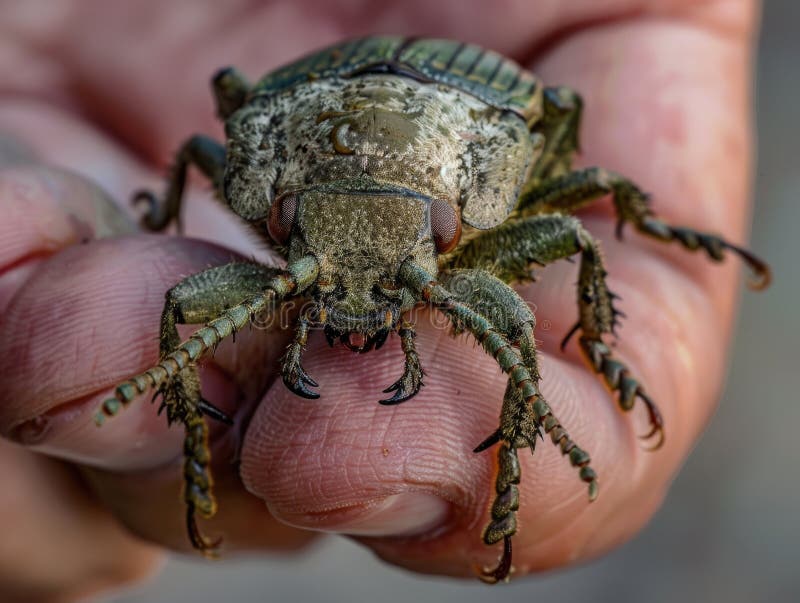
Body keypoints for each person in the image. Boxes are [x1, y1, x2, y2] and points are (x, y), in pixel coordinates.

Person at [0, 1, 762, 600]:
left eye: (427, 234)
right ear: (279, 208)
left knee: (570, 238)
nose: (358, 281)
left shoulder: (485, 166)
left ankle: (535, 438)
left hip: (448, 100)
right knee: (175, 310)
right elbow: (206, 158)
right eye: (294, 224)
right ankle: (200, 449)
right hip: (315, 100)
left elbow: (580, 215)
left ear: (454, 216)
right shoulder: (262, 160)